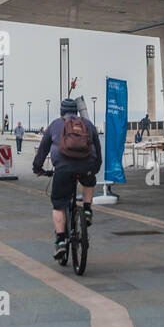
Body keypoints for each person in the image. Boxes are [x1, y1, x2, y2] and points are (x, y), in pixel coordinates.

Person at [31, 98, 101, 264]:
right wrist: (94, 168)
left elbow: (42, 150)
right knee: (89, 181)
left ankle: (61, 240)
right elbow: (97, 149)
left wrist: (38, 168)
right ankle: (87, 209)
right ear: (76, 111)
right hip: (86, 165)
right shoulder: (88, 124)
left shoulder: (55, 125)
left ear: (62, 111)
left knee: (58, 203)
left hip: (63, 168)